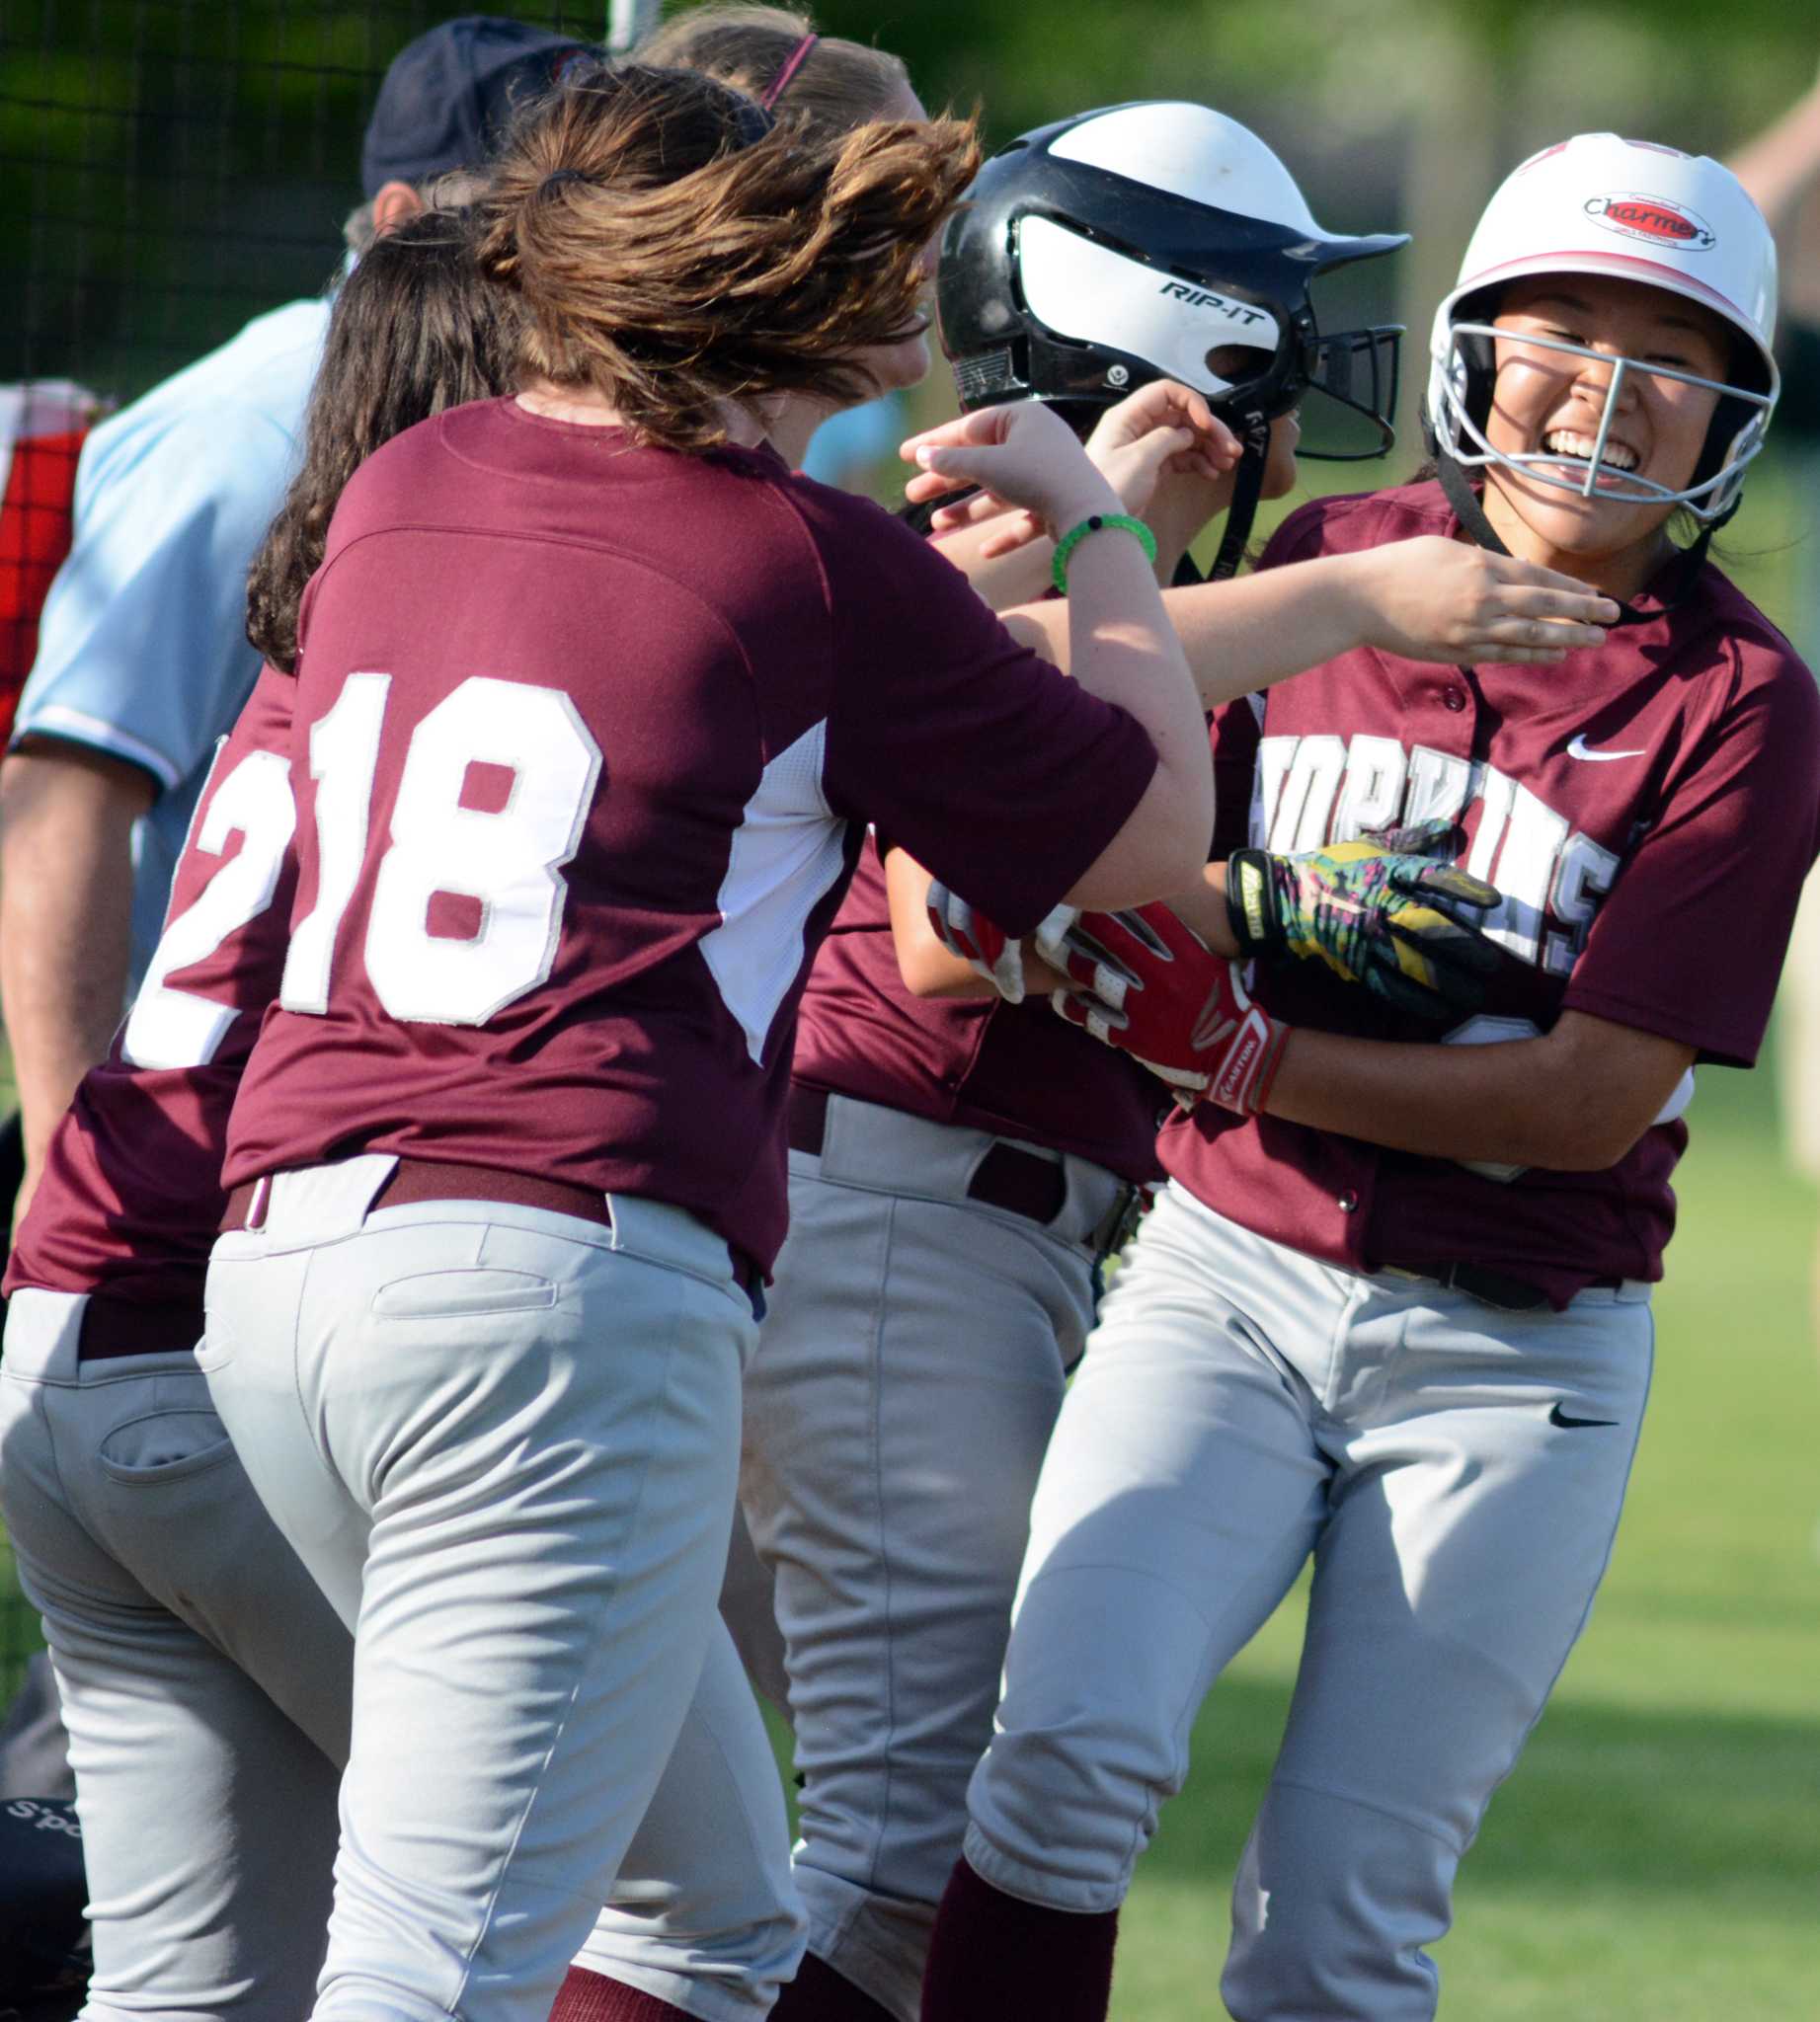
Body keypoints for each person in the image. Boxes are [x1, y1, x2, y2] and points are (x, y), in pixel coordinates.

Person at [197, 60, 1215, 2022]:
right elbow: (1150, 837)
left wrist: (996, 580)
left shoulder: (417, 477)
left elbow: (695, 642)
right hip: (556, 1291)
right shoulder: (816, 564)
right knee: (433, 1971)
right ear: (759, 285)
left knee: (704, 1923)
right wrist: (1100, 531)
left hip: (286, 1274)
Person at [917, 130, 1820, 2022]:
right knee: (1058, 1759)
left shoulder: (1736, 700)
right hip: (1228, 1275)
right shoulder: (1329, 562)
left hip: (1515, 1344)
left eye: (1668, 351)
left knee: (1334, 1930)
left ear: (1731, 403)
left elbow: (1586, 1099)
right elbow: (1061, 805)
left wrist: (1249, 1044)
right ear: (1474, 348)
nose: (1606, 388)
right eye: (1562, 328)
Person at [734, 101, 1619, 2022]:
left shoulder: (1088, 544)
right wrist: (1267, 906)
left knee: (708, 1872)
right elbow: (952, 929)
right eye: (1273, 331)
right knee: (897, 1865)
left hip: (898, 1218)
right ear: (1176, 344)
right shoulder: (1004, 519)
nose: (1313, 386)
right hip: (909, 1209)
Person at [0, 213, 804, 2022]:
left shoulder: (321, 655)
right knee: (676, 1919)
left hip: (70, 1338)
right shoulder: (493, 649)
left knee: (195, 1990)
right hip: (249, 1349)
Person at [0, 15, 591, 1224]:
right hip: (171, 1139)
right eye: (520, 219)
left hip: (345, 1151)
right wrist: (73, 1172)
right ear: (396, 221)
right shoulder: (254, 429)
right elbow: (65, 795)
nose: (562, 255)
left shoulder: (505, 427)